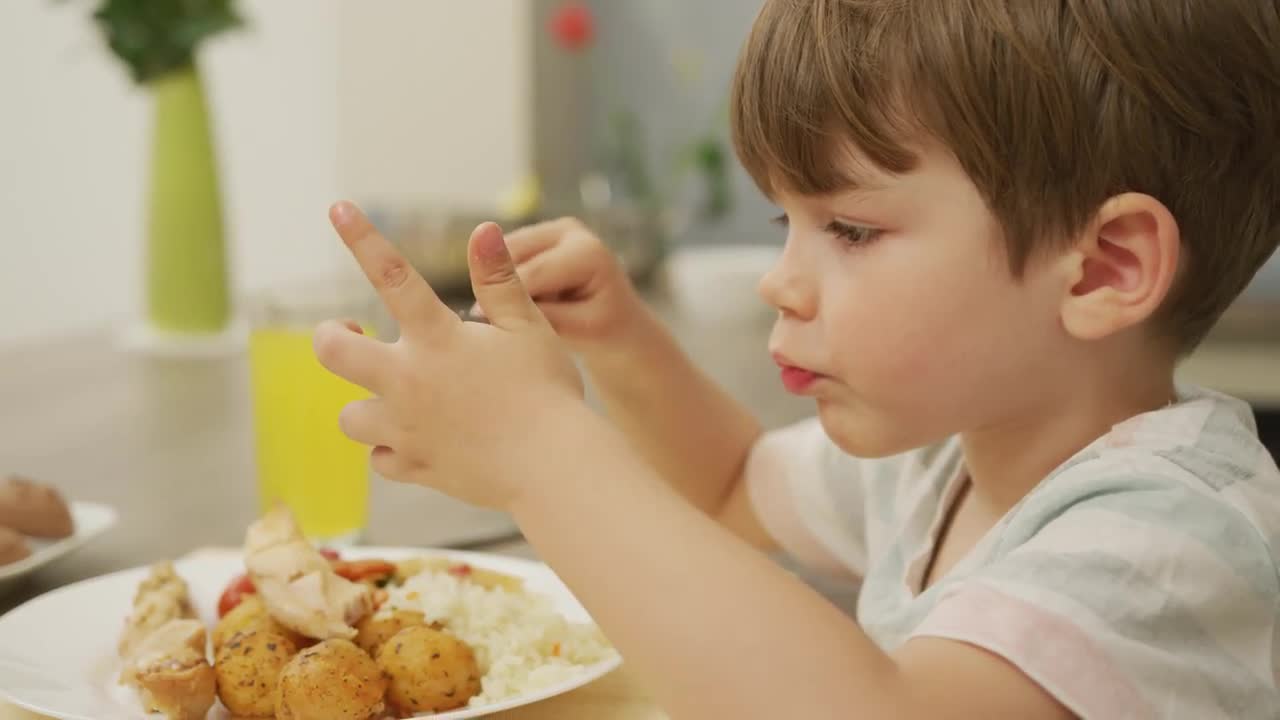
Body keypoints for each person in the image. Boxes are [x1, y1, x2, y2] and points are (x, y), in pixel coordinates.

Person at [313, 1, 1280, 717]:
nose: (784, 279)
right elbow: (733, 489)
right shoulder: (945, 455)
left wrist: (539, 451)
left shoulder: (1175, 537)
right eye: (791, 221)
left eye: (851, 229)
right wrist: (623, 342)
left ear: (1104, 267)